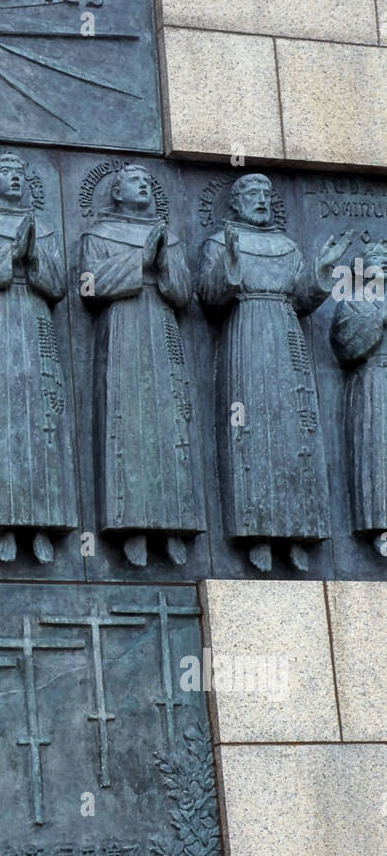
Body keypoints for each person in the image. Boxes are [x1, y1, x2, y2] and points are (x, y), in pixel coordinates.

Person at [199, 172, 349, 571]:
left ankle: (300, 531)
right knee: (250, 432)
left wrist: (321, 271)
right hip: (246, 336)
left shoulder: (286, 246)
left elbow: (301, 299)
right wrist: (229, 262)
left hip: (287, 338)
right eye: (252, 193)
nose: (262, 200)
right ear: (235, 202)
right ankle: (257, 533)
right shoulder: (219, 242)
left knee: (295, 434)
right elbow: (210, 298)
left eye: (267, 194)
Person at [0, 151, 77, 563]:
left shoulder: (42, 228)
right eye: (6, 172)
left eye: (21, 172)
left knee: (41, 420)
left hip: (34, 319)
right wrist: (8, 257)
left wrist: (34, 258)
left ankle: (42, 521)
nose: (15, 178)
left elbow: (58, 284)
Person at [81, 163, 203, 566]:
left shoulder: (169, 236)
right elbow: (89, 285)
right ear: (117, 193)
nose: (144, 186)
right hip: (123, 331)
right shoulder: (99, 234)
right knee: (128, 423)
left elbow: (183, 292)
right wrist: (139, 262)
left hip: (162, 325)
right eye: (135, 181)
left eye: (148, 181)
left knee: (171, 424)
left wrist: (163, 262)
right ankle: (131, 523)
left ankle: (175, 524)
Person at [330, 239, 387, 554]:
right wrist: (379, 317)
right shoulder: (353, 302)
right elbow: (348, 348)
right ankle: (382, 528)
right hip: (374, 383)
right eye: (378, 258)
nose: (386, 263)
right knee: (377, 453)